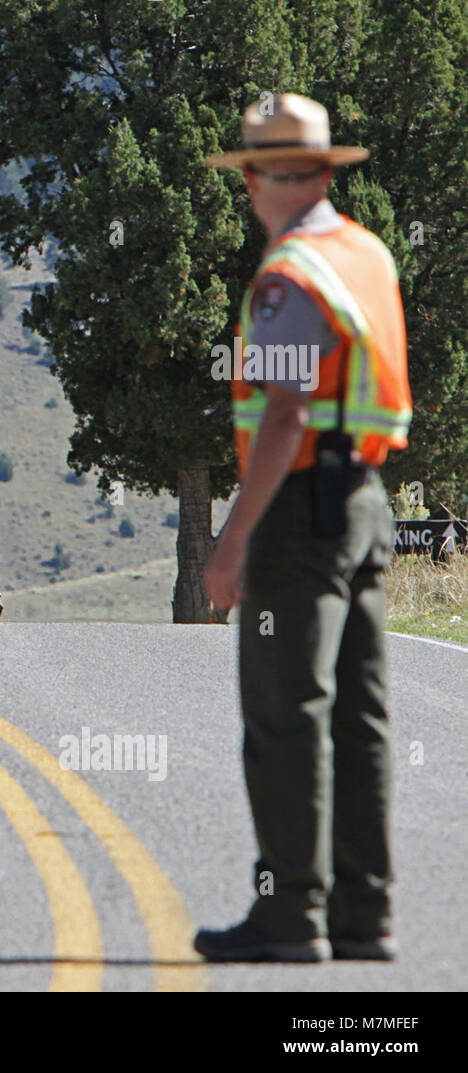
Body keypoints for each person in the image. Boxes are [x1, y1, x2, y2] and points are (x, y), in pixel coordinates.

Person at [198, 94, 413, 963]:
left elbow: (284, 414)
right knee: (360, 715)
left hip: (297, 510)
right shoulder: (364, 252)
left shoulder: (290, 274)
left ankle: (292, 913)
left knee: (289, 713)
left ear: (254, 179)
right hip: (364, 495)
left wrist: (233, 536)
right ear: (326, 170)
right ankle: (366, 913)